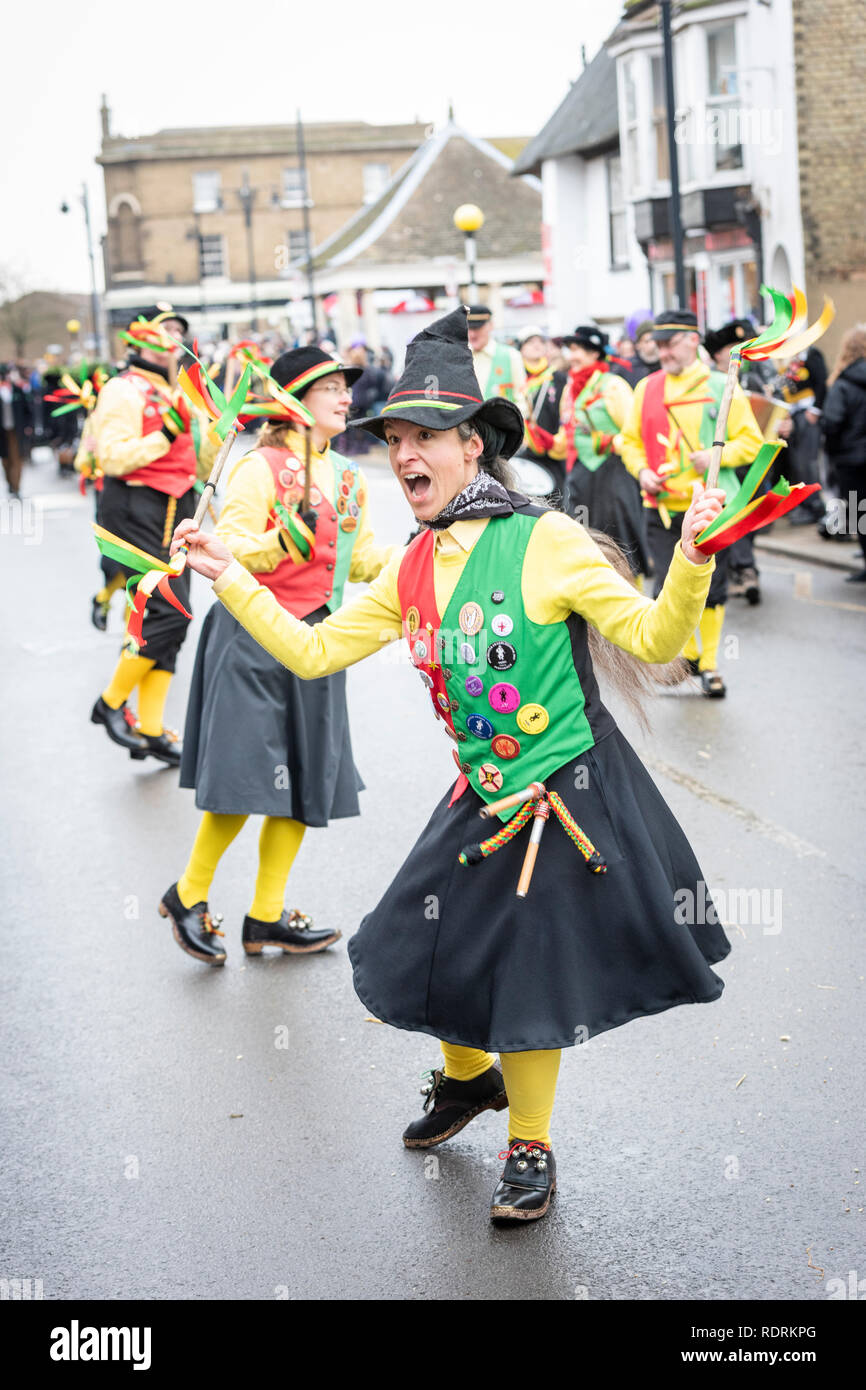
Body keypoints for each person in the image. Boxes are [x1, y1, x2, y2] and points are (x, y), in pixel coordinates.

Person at [171, 307, 731, 1224]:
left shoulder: (544, 539)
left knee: (526, 975)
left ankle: (532, 1149)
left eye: (424, 436)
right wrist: (230, 572)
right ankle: (470, 1083)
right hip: (484, 791)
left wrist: (695, 559)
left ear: (474, 446)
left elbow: (658, 639)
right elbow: (312, 653)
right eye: (393, 437)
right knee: (418, 943)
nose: (402, 455)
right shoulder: (412, 567)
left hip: (566, 793)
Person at [159, 347, 396, 964]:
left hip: (315, 641)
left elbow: (362, 558)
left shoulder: (347, 476)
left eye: (348, 387)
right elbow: (226, 552)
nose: (347, 397)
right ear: (294, 400)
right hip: (252, 634)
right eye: (331, 387)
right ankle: (188, 894)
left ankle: (266, 916)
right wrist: (278, 535)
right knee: (247, 779)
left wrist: (431, 559)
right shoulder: (258, 469)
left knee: (304, 780)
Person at [88, 306, 217, 765]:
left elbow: (198, 465)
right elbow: (114, 457)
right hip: (136, 507)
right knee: (167, 613)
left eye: (179, 332)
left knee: (171, 620)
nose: (172, 339)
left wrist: (218, 432)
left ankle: (150, 728)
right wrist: (164, 434)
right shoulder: (122, 389)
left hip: (175, 508)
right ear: (139, 342)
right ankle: (111, 703)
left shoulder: (177, 391)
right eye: (164, 331)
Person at [620, 309, 764, 698]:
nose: (661, 350)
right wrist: (641, 471)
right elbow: (628, 441)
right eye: (658, 343)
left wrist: (716, 456)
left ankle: (711, 665)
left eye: (669, 343)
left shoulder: (722, 386)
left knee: (713, 586)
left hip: (709, 509)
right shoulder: (645, 388)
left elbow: (751, 441)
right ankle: (687, 659)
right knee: (669, 586)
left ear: (690, 340)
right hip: (662, 506)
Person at [552, 325, 647, 580]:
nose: (572, 356)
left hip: (613, 472)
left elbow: (633, 433)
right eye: (570, 350)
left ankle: (632, 596)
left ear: (594, 354)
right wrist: (547, 441)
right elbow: (566, 434)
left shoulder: (613, 385)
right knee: (583, 537)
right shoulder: (570, 388)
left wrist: (606, 442)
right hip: (580, 474)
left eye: (577, 350)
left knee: (620, 540)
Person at [704, 318, 773, 606]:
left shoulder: (753, 380)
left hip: (755, 463)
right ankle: (744, 571)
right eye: (733, 348)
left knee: (752, 517)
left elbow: (772, 415)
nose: (739, 354)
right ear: (718, 354)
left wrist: (782, 426)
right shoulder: (707, 385)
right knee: (732, 516)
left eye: (742, 348)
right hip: (726, 466)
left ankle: (741, 567)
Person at [821, 324, 866, 582]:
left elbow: (832, 422)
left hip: (851, 460)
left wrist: (833, 448)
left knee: (860, 514)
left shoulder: (843, 383)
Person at [775, 345, 828, 524]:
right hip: (794, 415)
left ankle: (815, 506)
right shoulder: (787, 359)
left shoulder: (811, 354)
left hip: (807, 414)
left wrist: (815, 410)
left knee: (807, 462)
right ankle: (804, 505)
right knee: (796, 462)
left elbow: (822, 382)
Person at [516, 325, 568, 498]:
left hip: (551, 452)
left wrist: (557, 442)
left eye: (541, 341)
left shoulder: (558, 378)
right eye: (530, 342)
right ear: (521, 348)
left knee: (556, 502)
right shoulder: (515, 377)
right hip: (520, 453)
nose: (537, 345)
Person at [466, 305, 528, 415]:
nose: (472, 334)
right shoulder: (462, 357)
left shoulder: (511, 356)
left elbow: (523, 401)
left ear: (490, 326)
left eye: (477, 328)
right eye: (469, 328)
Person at [0, 363, 32, 498]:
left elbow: (27, 410)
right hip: (2, 433)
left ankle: (16, 486)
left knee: (17, 459)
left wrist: (28, 426)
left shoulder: (17, 390)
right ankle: (10, 483)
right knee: (6, 460)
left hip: (16, 431)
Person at [627, 320, 661, 386]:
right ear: (638, 345)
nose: (653, 345)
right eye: (647, 341)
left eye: (655, 340)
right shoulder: (628, 367)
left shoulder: (667, 364)